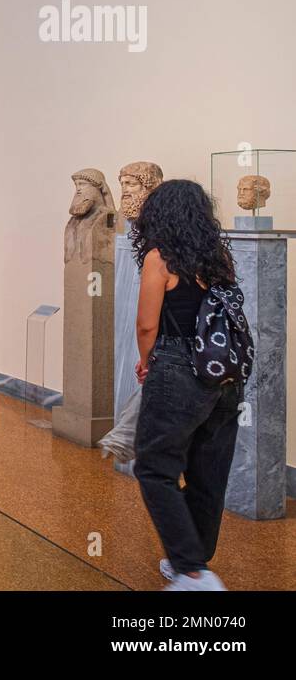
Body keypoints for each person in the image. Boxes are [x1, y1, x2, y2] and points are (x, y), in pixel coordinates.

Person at [131, 179, 242, 591]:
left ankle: (192, 571)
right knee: (208, 472)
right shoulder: (218, 259)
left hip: (178, 368)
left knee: (155, 467)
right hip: (225, 376)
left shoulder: (160, 259)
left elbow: (147, 323)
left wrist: (146, 362)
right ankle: (196, 562)